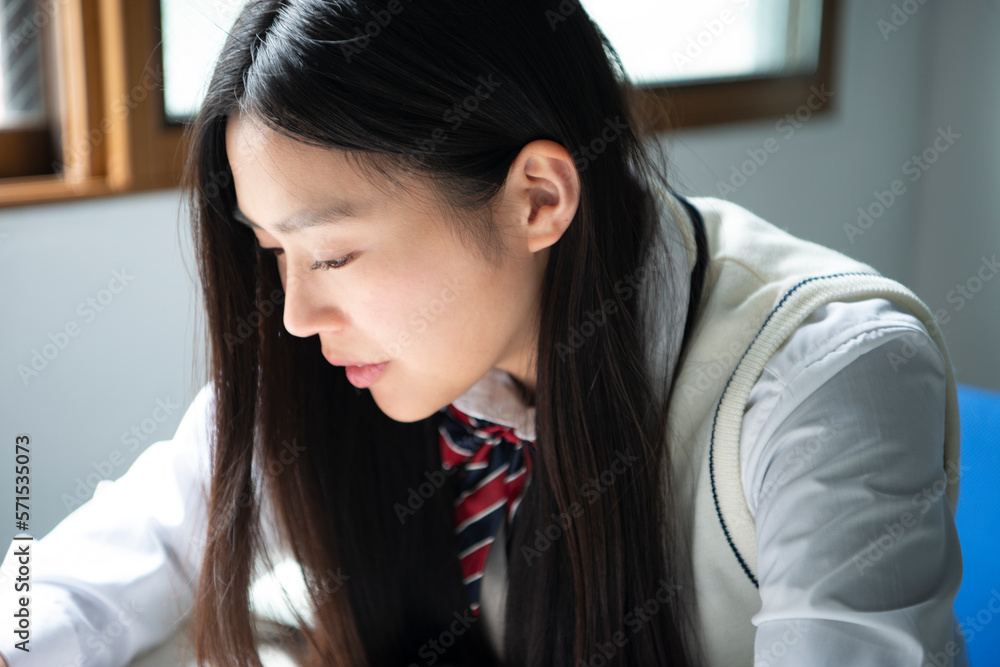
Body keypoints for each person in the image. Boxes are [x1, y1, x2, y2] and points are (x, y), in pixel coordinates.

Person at [0, 1, 968, 665]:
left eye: (332, 256)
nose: (296, 316)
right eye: (269, 253)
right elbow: (72, 582)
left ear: (536, 198)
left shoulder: (823, 376)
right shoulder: (341, 362)